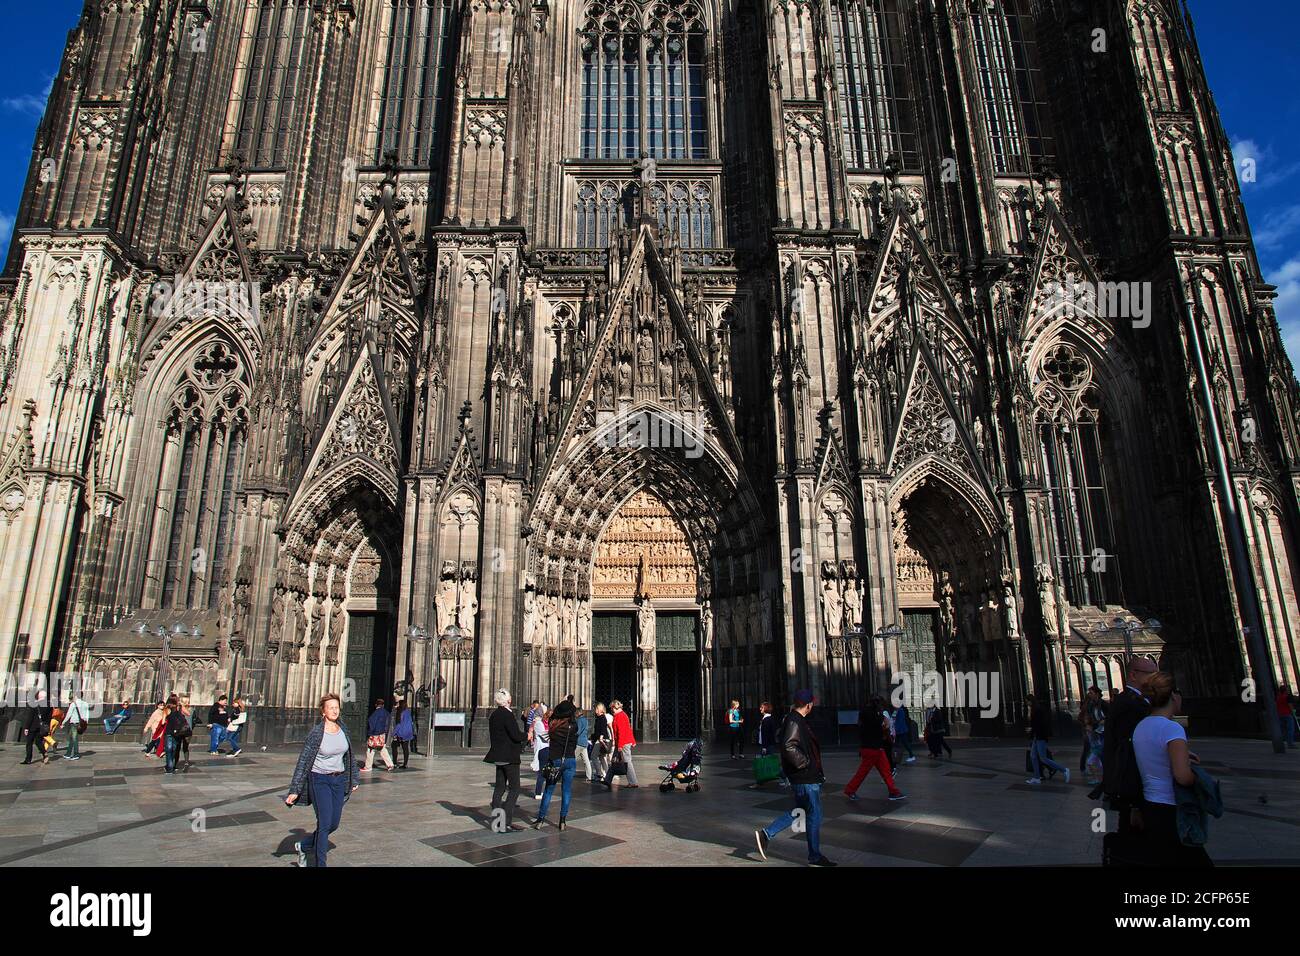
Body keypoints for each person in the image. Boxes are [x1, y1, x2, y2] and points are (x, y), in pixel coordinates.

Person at [1131, 672, 1212, 866]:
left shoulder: (1141, 726)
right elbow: (1182, 777)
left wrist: (1180, 754)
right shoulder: (1171, 728)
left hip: (1151, 806)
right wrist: (1200, 779)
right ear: (1174, 695)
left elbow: (1152, 755)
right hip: (1174, 807)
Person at [754, 690, 834, 866]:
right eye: (812, 703)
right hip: (805, 777)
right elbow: (789, 746)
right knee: (814, 814)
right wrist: (806, 764)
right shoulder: (794, 720)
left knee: (800, 811)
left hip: (804, 777)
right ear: (808, 705)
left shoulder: (796, 720)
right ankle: (814, 856)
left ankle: (766, 833)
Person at [286, 692, 359, 868]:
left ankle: (304, 845)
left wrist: (354, 778)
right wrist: (295, 790)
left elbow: (350, 755)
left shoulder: (343, 729)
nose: (335, 711)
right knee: (325, 824)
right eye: (331, 708)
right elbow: (303, 761)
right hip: (319, 780)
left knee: (334, 824)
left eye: (337, 707)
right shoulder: (316, 733)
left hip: (338, 780)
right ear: (323, 712)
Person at [1103, 657, 1158, 832]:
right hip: (1134, 787)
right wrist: (1134, 802)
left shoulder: (1140, 700)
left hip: (1143, 786)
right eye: (1151, 674)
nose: (1155, 678)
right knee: (1132, 834)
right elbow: (1128, 752)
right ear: (1133, 675)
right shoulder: (1128, 704)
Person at [844, 697, 905, 801]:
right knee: (865, 772)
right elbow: (886, 725)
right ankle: (850, 790)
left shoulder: (863, 714)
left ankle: (893, 791)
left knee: (885, 771)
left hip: (870, 748)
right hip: (874, 748)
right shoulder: (877, 715)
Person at [484, 688, 526, 831]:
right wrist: (528, 735)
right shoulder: (507, 715)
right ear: (508, 700)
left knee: (499, 788)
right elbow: (515, 735)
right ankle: (505, 821)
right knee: (514, 788)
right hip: (509, 757)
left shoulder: (494, 715)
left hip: (498, 756)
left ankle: (497, 821)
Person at [536, 698, 581, 830]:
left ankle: (540, 819)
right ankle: (562, 821)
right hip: (569, 759)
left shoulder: (552, 725)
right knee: (566, 791)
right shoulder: (573, 726)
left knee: (549, 790)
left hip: (555, 759)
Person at [1026, 694, 1069, 784]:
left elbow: (1039, 725)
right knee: (1033, 756)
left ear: (1030, 701)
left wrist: (1031, 730)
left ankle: (1064, 770)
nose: (1027, 703)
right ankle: (1037, 777)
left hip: (1040, 737)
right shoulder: (1035, 710)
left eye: (1027, 701)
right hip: (1037, 737)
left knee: (1043, 758)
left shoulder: (1037, 710)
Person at [600, 699, 639, 788]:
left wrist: (620, 745)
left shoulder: (620, 716)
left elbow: (622, 732)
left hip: (623, 743)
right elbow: (628, 730)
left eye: (612, 708)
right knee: (613, 761)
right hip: (621, 742)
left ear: (615, 707)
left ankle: (633, 782)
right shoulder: (620, 715)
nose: (611, 710)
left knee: (627, 762)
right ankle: (608, 780)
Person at [1079, 686, 1107, 780]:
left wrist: (1104, 721)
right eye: (1089, 693)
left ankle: (1102, 776)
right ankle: (1102, 776)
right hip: (1096, 731)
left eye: (1091, 693)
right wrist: (1089, 725)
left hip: (1103, 731)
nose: (1090, 695)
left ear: (1097, 694)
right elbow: (1089, 717)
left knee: (1100, 753)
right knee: (1098, 753)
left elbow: (1109, 716)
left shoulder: (1103, 704)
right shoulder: (1091, 705)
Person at [362, 698, 396, 772]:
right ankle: (390, 764)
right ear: (383, 705)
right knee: (382, 749)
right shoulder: (387, 713)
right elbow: (388, 724)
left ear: (376, 705)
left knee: (370, 750)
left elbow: (372, 723)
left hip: (375, 734)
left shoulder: (375, 713)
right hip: (383, 734)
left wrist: (369, 733)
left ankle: (368, 766)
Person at [162, 700, 188, 774]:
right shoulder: (178, 711)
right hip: (177, 733)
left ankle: (169, 768)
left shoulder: (167, 710)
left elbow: (163, 722)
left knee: (168, 750)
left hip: (169, 732)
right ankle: (172, 765)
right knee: (174, 750)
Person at [530, 703, 550, 798]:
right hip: (542, 749)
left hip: (547, 748)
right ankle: (538, 792)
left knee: (546, 772)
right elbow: (544, 736)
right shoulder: (538, 723)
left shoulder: (543, 723)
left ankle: (543, 791)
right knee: (542, 772)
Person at [588, 702, 612, 783]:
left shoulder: (602, 718)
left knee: (593, 756)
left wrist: (600, 737)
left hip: (601, 740)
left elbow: (602, 729)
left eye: (596, 709)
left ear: (599, 709)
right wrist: (593, 736)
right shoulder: (600, 717)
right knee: (602, 757)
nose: (595, 711)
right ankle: (608, 774)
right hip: (601, 739)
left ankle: (599, 773)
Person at [64, 691, 89, 761]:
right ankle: (68, 754)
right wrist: (86, 722)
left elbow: (68, 714)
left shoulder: (73, 704)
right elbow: (87, 714)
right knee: (72, 738)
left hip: (74, 723)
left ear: (76, 696)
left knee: (74, 739)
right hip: (81, 723)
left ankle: (76, 754)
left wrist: (63, 722)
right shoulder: (85, 704)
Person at [391, 697, 415, 769]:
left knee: (394, 746)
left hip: (401, 733)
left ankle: (395, 763)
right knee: (405, 748)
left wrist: (394, 733)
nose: (397, 706)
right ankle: (405, 764)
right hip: (408, 733)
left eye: (398, 704)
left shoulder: (401, 712)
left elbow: (399, 724)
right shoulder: (408, 712)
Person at [574, 702, 593, 780]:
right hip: (584, 742)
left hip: (579, 742)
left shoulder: (579, 720)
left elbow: (578, 731)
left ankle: (568, 774)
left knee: (572, 759)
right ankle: (589, 776)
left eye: (575, 713)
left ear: (578, 713)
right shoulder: (585, 720)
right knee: (586, 761)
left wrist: (572, 734)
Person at [176, 695, 195, 767]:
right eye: (185, 701)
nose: (187, 702)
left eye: (187, 701)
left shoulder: (190, 709)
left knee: (185, 746)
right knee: (178, 746)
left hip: (187, 730)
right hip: (180, 730)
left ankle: (186, 761)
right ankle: (176, 761)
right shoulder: (178, 709)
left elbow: (189, 715)